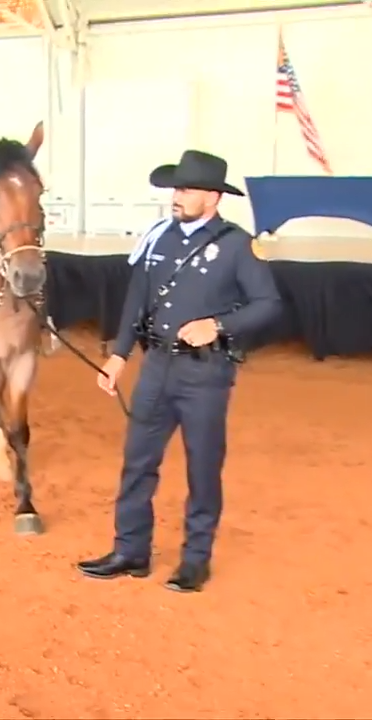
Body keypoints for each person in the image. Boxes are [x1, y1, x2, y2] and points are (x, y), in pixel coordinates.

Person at [76, 150, 283, 593]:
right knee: (137, 462)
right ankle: (131, 550)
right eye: (175, 188)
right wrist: (119, 355)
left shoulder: (237, 245)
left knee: (202, 468)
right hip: (156, 367)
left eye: (185, 189)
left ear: (211, 196)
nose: (176, 196)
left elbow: (269, 304)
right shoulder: (158, 237)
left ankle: (195, 560)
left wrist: (218, 325)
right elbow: (137, 300)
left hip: (205, 375)